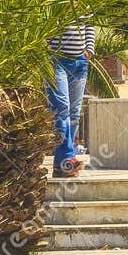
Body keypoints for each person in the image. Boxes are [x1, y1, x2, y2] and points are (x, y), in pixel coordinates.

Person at [46, 21, 95, 178]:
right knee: (61, 108)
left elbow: (89, 25)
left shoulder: (84, 0)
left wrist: (89, 49)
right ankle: (67, 157)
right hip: (56, 59)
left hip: (80, 62)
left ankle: (62, 165)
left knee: (74, 113)